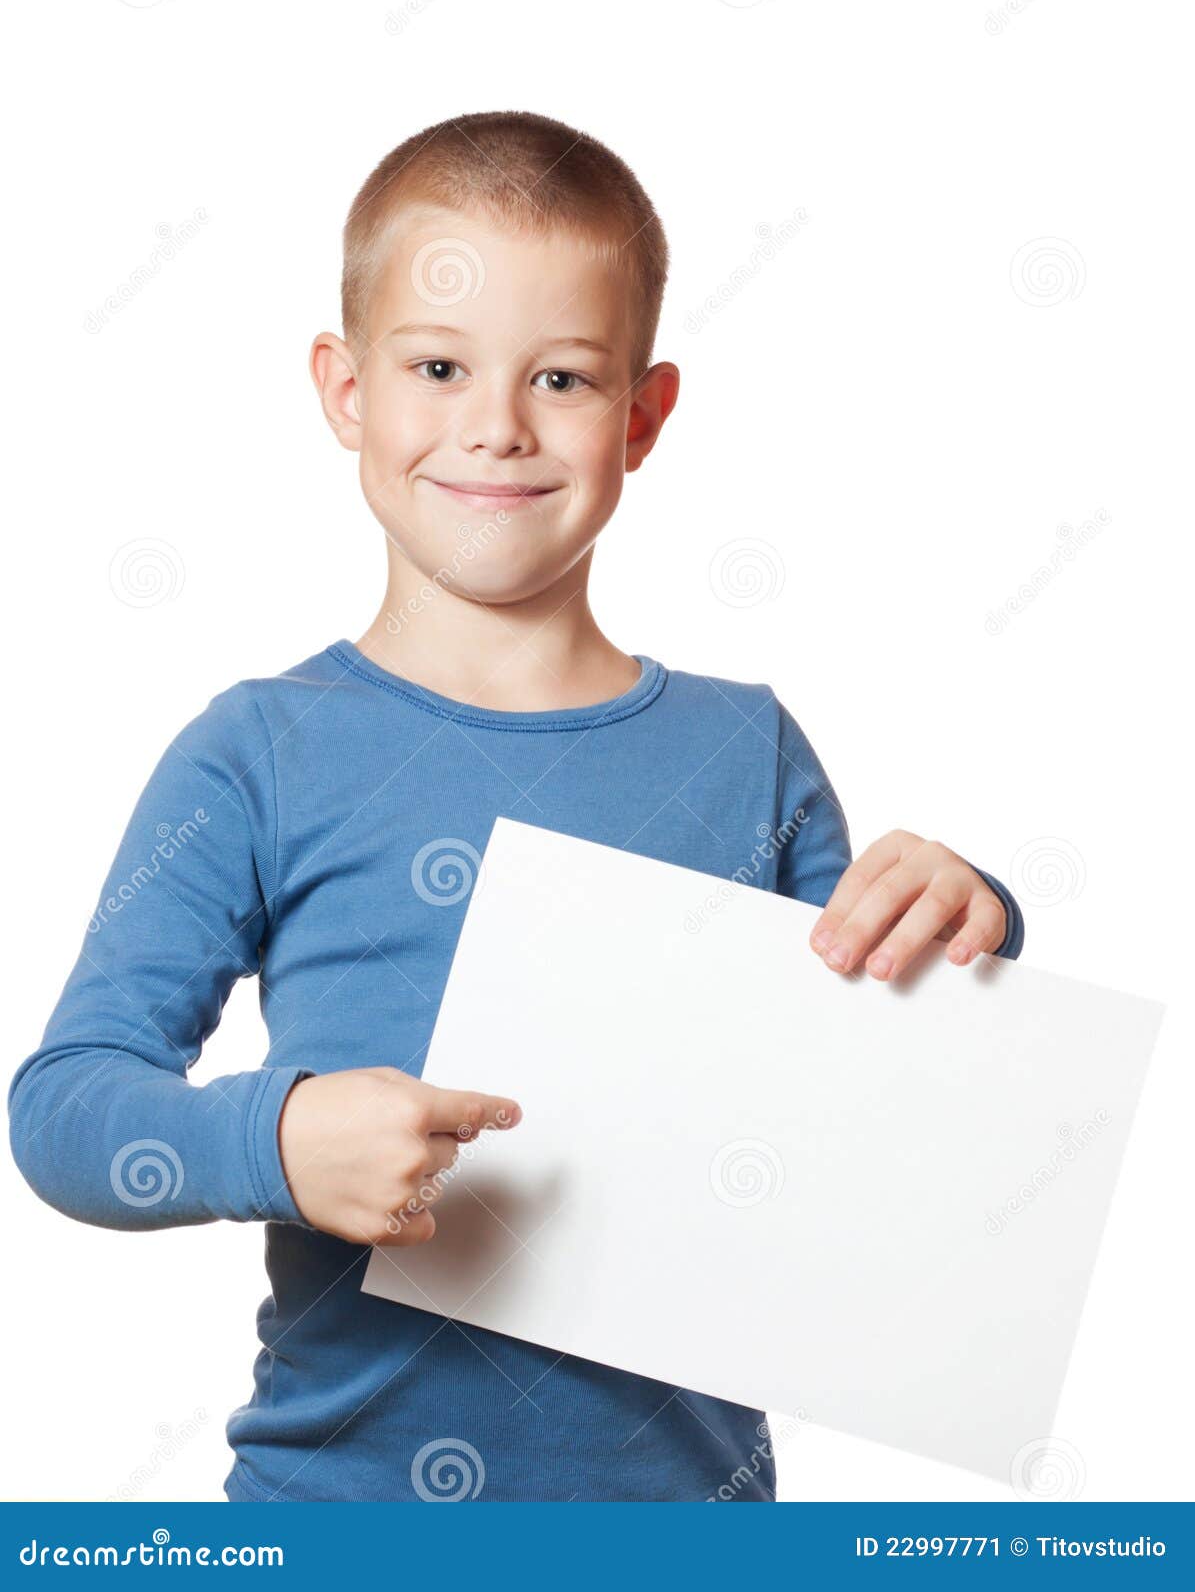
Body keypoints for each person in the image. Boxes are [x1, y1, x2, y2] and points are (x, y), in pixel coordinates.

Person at [8, 110, 1024, 1503]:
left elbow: (879, 1135)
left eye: (560, 377)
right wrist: (276, 1140)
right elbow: (66, 1112)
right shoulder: (256, 752)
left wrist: (969, 927)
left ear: (643, 417)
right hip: (334, 1527)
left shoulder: (751, 753)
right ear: (347, 390)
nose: (495, 425)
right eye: (438, 367)